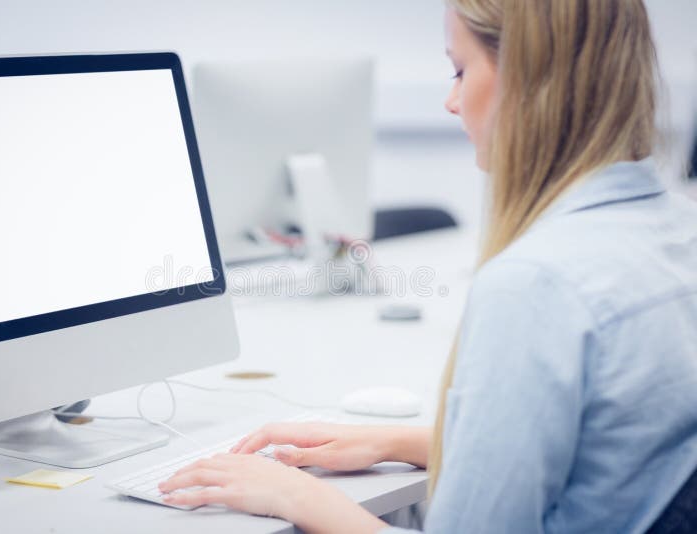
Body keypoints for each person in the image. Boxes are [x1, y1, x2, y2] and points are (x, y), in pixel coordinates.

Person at [159, 0, 697, 532]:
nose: (450, 100)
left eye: (460, 71)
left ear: (530, 79)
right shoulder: (680, 227)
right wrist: (396, 441)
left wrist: (292, 495)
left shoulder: (536, 285)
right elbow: (613, 449)